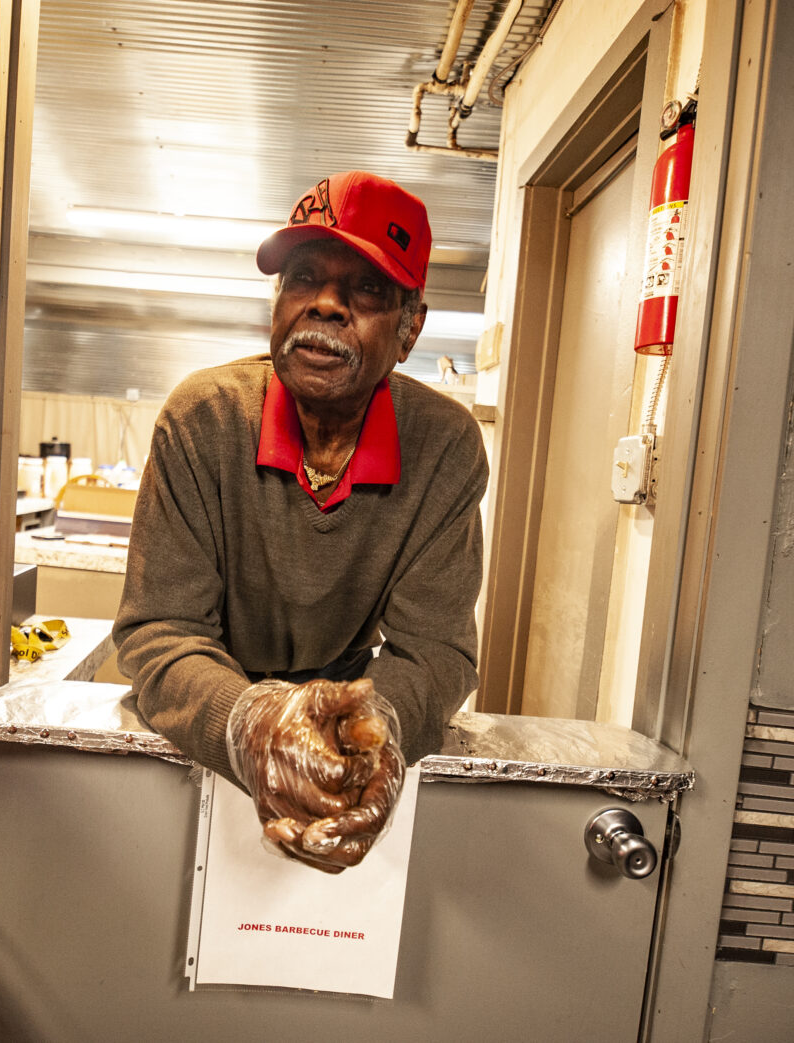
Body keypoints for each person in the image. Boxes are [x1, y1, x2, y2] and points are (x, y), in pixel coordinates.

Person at [113, 171, 488, 872]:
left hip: (349, 720)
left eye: (367, 289)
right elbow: (160, 629)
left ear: (411, 329)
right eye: (303, 277)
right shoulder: (204, 418)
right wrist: (251, 723)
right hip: (203, 713)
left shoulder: (445, 446)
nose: (324, 304)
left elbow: (436, 652)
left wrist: (371, 739)